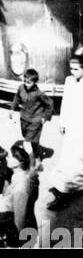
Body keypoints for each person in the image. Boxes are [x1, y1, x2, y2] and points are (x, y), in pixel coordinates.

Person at [47, 52, 83, 208]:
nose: (72, 72)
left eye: (76, 69)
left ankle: (66, 193)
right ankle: (64, 189)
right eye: (71, 69)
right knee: (67, 159)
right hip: (71, 128)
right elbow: (66, 103)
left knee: (77, 163)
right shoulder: (69, 81)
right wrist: (62, 122)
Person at [9, 67, 54, 161]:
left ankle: (32, 161)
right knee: (32, 139)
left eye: (29, 82)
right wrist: (12, 108)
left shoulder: (39, 93)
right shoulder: (21, 88)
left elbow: (50, 104)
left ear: (34, 82)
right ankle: (36, 155)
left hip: (35, 121)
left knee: (27, 142)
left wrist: (45, 117)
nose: (26, 84)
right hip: (24, 119)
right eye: (25, 81)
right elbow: (17, 97)